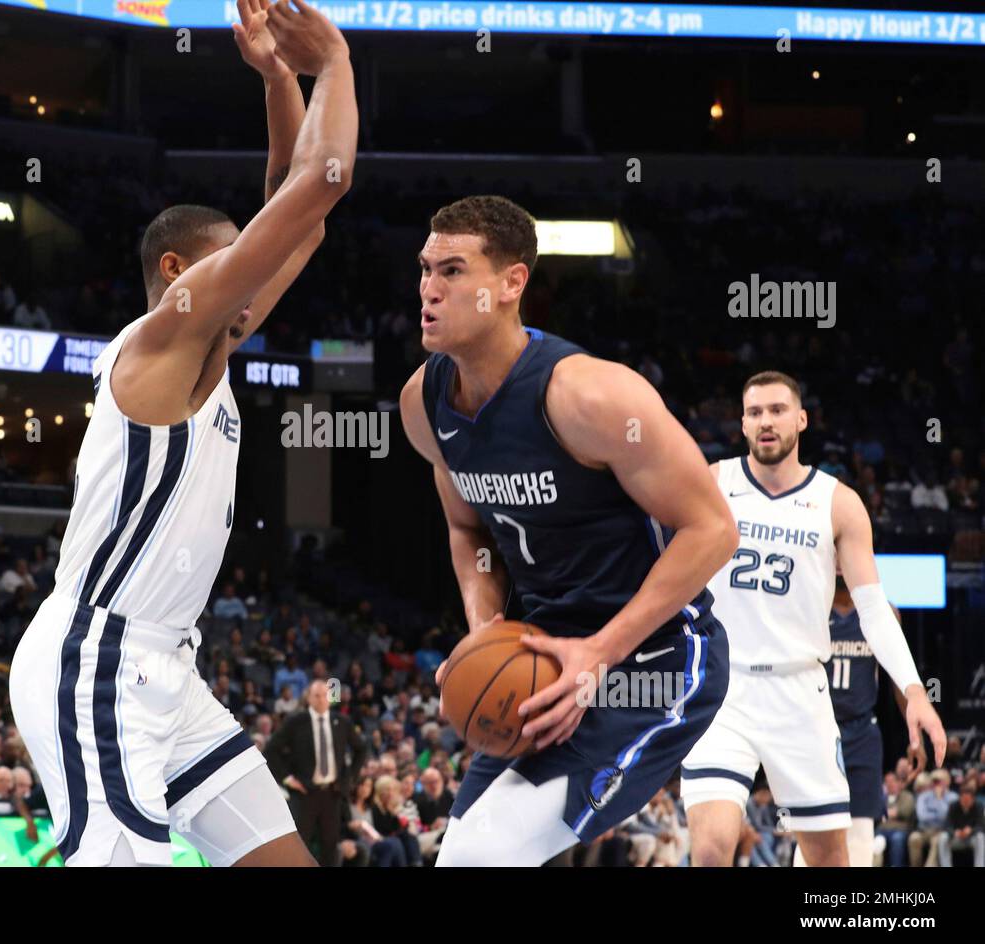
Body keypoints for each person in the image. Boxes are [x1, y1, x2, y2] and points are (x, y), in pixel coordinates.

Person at [9, 0, 357, 868]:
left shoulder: (214, 347)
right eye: (229, 257)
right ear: (178, 274)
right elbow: (322, 183)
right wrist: (336, 62)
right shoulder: (162, 345)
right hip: (96, 659)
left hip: (172, 668)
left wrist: (279, 79)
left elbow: (298, 217)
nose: (252, 269)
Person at [399, 195, 736, 866]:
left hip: (655, 662)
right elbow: (469, 533)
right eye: (425, 269)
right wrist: (484, 628)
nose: (429, 290)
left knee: (484, 854)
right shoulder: (423, 403)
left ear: (511, 284)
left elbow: (713, 529)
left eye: (454, 272)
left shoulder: (591, 397)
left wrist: (600, 653)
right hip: (545, 660)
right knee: (461, 851)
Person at [681, 371, 946, 867]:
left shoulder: (838, 502)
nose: (766, 421)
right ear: (741, 423)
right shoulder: (714, 483)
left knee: (830, 865)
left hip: (800, 694)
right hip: (723, 689)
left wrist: (913, 691)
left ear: (801, 419)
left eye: (777, 410)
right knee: (712, 849)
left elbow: (873, 608)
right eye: (755, 412)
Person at [793, 577, 931, 867]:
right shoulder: (809, 606)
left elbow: (899, 676)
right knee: (810, 830)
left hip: (861, 731)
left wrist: (914, 737)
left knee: (860, 834)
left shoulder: (883, 612)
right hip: (816, 728)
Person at [264, 679, 366, 866]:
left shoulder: (342, 721)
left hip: (332, 793)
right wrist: (287, 779)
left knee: (330, 846)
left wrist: (348, 779)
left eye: (324, 695)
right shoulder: (296, 721)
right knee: (300, 844)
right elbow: (271, 750)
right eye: (316, 695)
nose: (320, 700)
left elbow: (361, 749)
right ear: (308, 698)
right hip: (305, 792)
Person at [940, 784, 984, 867]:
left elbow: (981, 825)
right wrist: (955, 832)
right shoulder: (953, 806)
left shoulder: (979, 806)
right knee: (943, 837)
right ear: (959, 798)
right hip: (957, 838)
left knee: (980, 836)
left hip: (971, 838)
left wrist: (971, 830)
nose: (965, 802)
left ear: (973, 799)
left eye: (968, 800)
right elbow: (946, 825)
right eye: (963, 799)